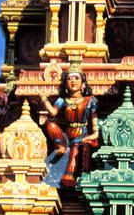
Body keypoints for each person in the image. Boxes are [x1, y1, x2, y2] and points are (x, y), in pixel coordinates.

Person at [41, 61, 99, 189]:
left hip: (81, 133)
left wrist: (92, 136)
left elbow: (95, 126)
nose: (73, 81)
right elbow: (53, 112)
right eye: (69, 78)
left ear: (83, 83)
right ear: (65, 83)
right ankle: (61, 147)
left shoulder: (90, 100)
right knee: (51, 126)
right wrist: (44, 99)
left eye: (77, 78)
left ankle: (69, 175)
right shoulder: (63, 100)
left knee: (75, 152)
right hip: (67, 134)